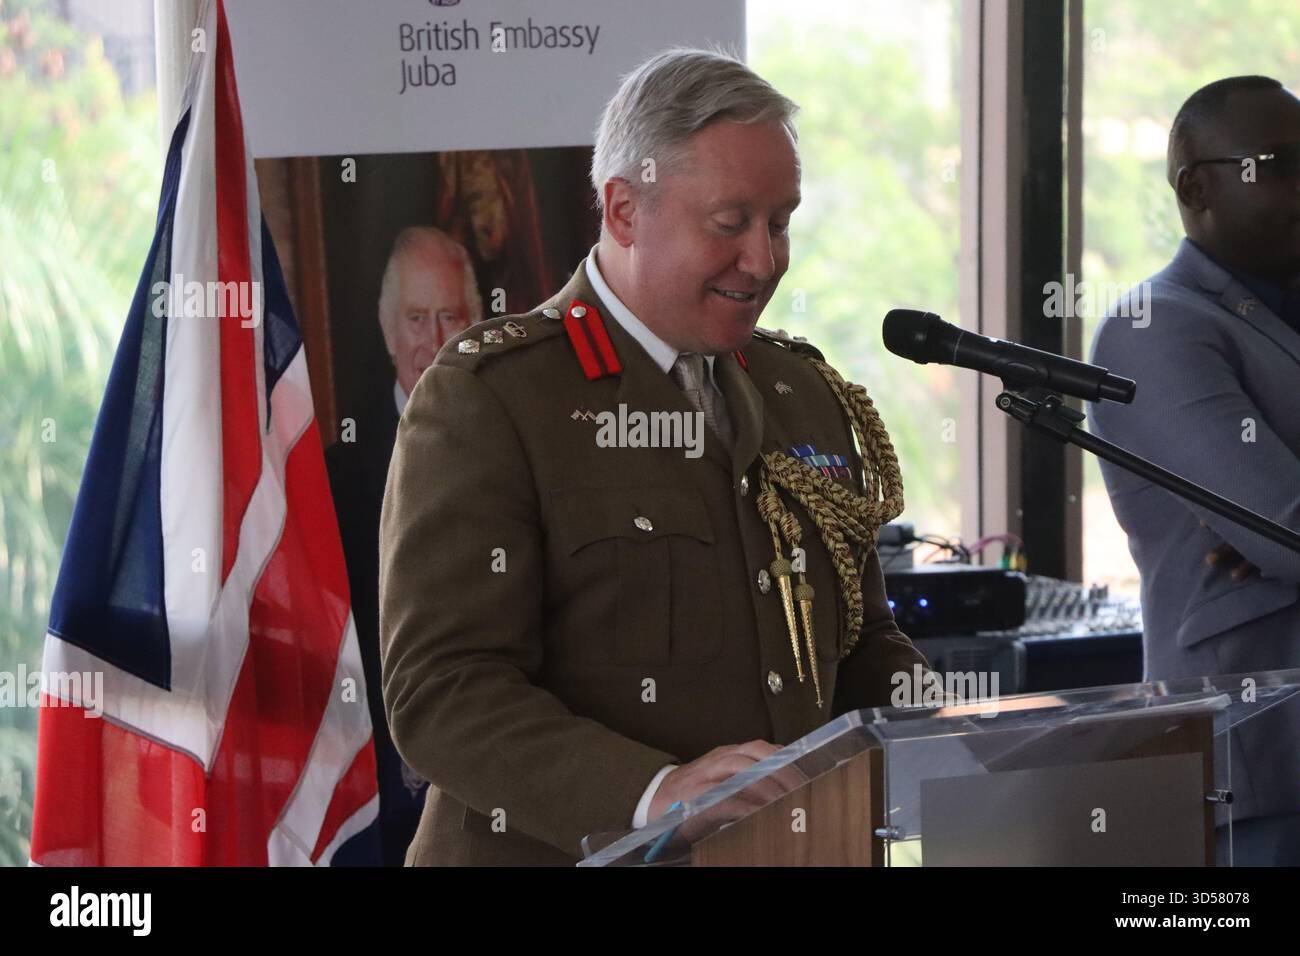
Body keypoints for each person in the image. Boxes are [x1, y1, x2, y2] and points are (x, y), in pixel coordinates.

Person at [379, 48, 927, 866]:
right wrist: (656, 795)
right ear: (625, 209)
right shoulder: (492, 397)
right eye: (730, 223)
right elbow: (441, 693)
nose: (765, 259)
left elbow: (861, 640)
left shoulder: (801, 391)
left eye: (780, 223)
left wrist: (969, 737)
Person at [1089, 75, 1300, 865]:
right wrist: (1279, 535)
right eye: (1279, 165)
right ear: (1197, 187)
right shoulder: (1157, 329)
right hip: (1259, 771)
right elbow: (1284, 530)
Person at [326, 226, 482, 865]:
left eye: (450, 316)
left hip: (498, 786)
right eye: (417, 318)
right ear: (390, 331)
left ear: (475, 324)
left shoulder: (522, 452)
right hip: (378, 798)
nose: (434, 339)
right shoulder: (337, 475)